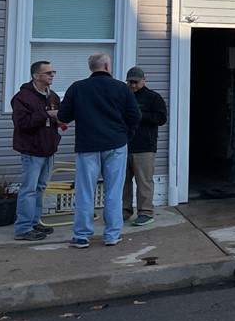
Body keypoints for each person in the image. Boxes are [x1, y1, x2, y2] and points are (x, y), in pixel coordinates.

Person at [57, 53, 140, 249]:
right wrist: (126, 135)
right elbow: (135, 115)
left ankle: (81, 236)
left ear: (91, 68)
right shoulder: (121, 88)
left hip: (87, 145)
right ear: (106, 66)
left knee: (85, 191)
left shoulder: (77, 87)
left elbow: (63, 115)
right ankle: (112, 235)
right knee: (113, 191)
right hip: (116, 144)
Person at [10, 61, 64, 241]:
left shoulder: (52, 96)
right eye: (48, 73)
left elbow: (56, 116)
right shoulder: (23, 97)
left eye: (53, 72)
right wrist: (47, 114)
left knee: (40, 188)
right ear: (36, 75)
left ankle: (34, 222)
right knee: (29, 189)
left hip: (48, 149)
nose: (52, 75)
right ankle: (23, 228)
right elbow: (22, 124)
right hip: (32, 150)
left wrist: (59, 120)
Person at [122, 67, 167, 227]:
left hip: (145, 147)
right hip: (123, 146)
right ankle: (124, 211)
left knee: (144, 182)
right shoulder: (123, 95)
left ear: (143, 80)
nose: (133, 85)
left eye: (136, 82)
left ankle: (145, 213)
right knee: (123, 182)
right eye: (130, 82)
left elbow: (161, 118)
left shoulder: (153, 97)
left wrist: (138, 115)